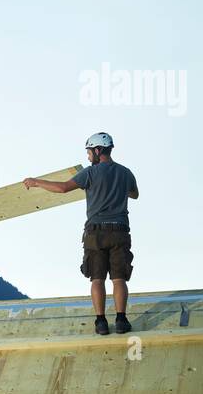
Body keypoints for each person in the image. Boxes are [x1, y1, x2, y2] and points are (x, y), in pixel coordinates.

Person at [23, 132, 139, 335]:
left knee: (97, 279)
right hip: (120, 231)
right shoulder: (126, 173)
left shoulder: (90, 173)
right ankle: (121, 320)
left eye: (88, 152)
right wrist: (117, 189)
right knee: (119, 278)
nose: (87, 157)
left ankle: (101, 323)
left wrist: (36, 182)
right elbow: (134, 194)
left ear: (97, 150)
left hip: (96, 233)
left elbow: (63, 188)